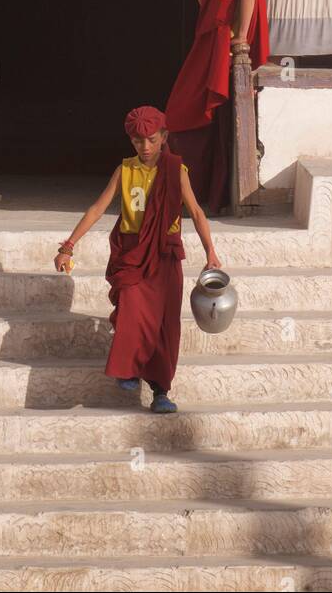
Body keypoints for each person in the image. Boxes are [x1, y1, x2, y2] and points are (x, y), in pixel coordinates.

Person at [54, 105, 220, 414]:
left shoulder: (176, 170)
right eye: (138, 141)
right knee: (131, 306)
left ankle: (160, 392)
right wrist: (68, 246)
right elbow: (96, 209)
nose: (145, 148)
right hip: (133, 253)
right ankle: (128, 368)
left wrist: (210, 251)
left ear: (164, 137)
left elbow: (197, 212)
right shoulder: (125, 170)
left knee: (163, 325)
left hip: (165, 255)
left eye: (152, 140)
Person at [165, 0, 270, 214]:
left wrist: (240, 39)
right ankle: (199, 194)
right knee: (193, 114)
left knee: (185, 113)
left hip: (224, 48)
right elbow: (213, 15)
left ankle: (203, 194)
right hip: (212, 46)